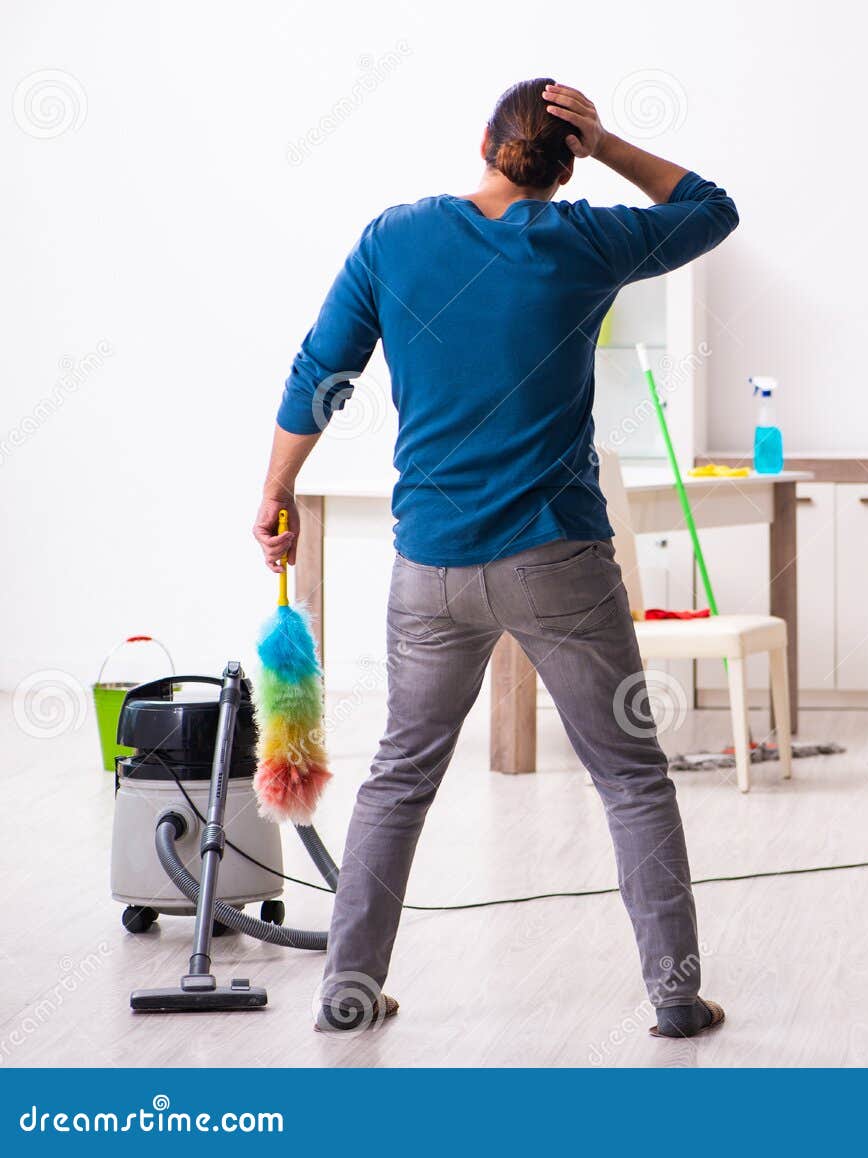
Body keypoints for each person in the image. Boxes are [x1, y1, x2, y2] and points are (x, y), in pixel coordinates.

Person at [252, 78, 737, 1037]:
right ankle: (675, 999)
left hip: (428, 563)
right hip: (557, 559)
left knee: (400, 774)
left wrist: (276, 490)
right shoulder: (584, 240)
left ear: (483, 141)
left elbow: (323, 372)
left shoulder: (397, 237)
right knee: (632, 778)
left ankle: (348, 992)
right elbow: (710, 211)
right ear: (565, 165)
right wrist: (609, 147)